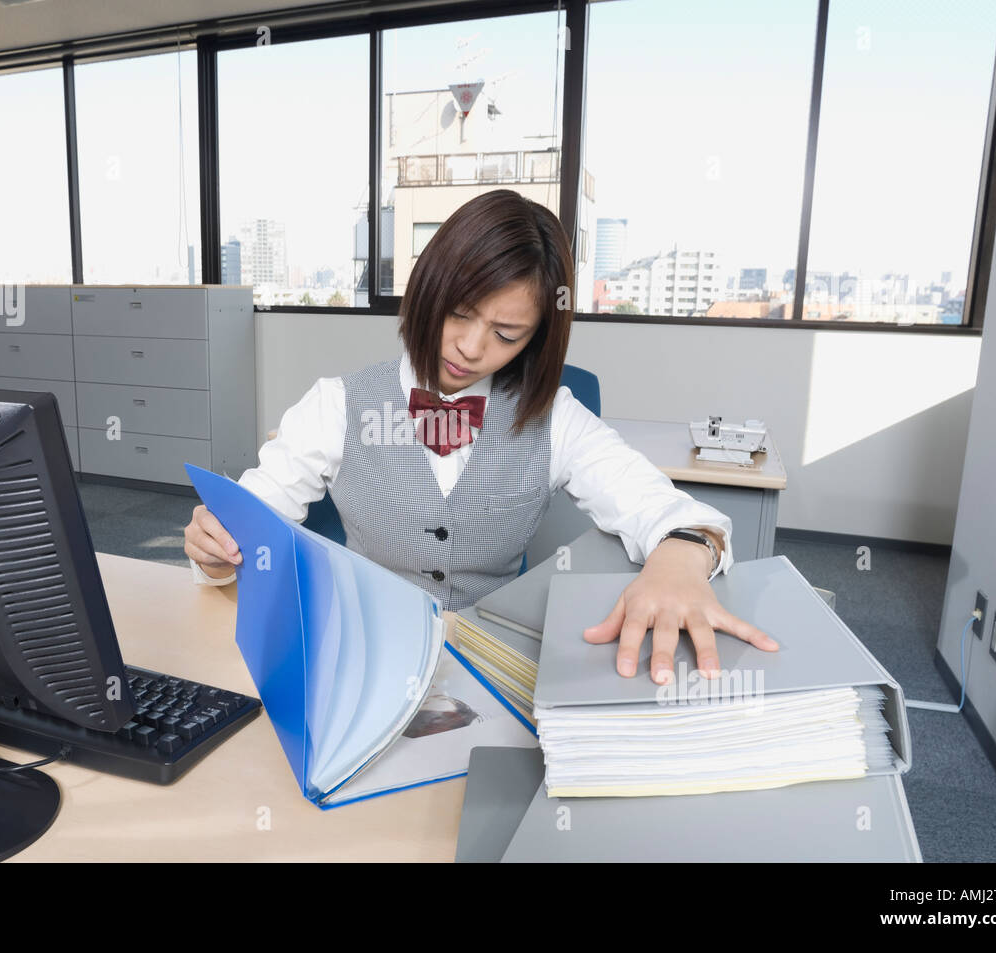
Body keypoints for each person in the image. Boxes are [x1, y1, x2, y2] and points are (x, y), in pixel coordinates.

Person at [185, 188, 778, 685]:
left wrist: (682, 555)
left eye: (506, 333)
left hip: (491, 665)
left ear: (536, 338)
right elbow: (244, 533)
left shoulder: (557, 417)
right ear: (428, 291)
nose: (471, 348)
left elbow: (672, 511)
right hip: (360, 661)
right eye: (460, 313)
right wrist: (215, 552)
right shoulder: (334, 403)